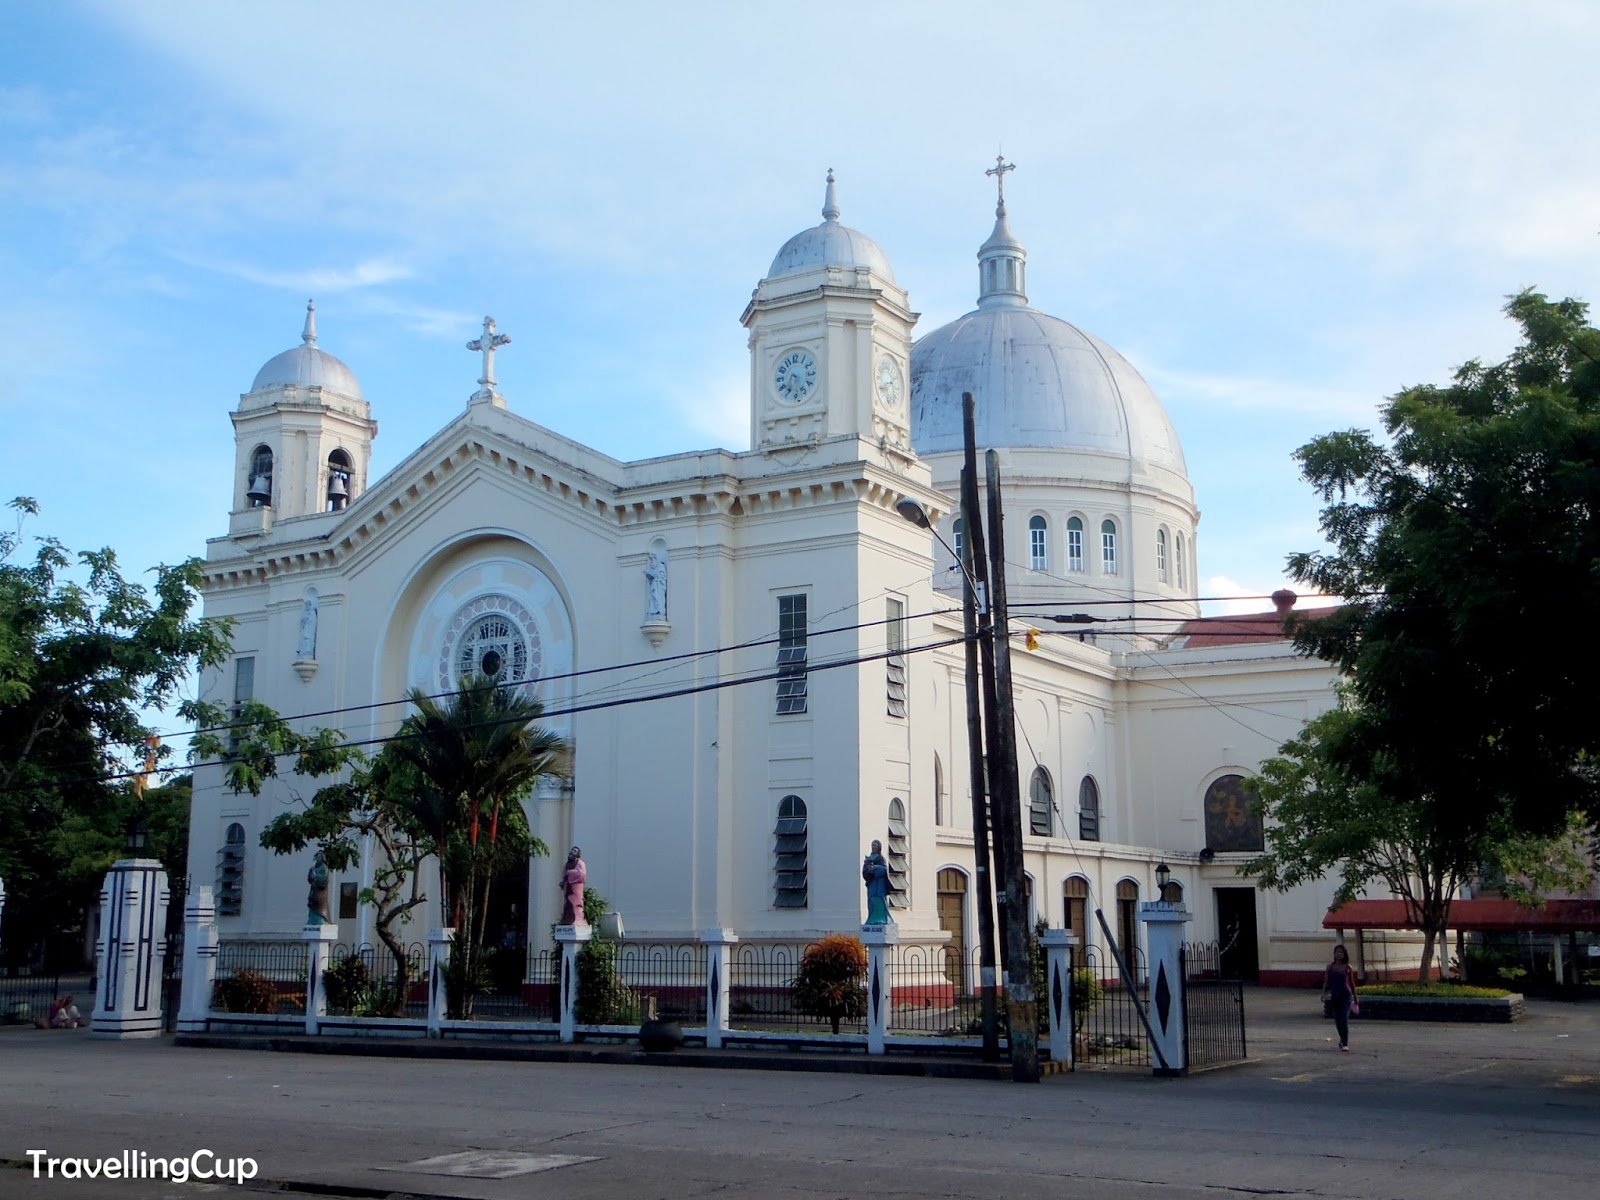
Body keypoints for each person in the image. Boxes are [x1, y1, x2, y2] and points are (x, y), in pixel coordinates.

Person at [1320, 943, 1358, 1051]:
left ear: (1344, 954)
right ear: (1334, 954)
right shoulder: (1330, 967)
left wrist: (1355, 997)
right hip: (1335, 996)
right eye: (1337, 952)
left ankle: (1345, 1042)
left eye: (1341, 952)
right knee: (1337, 1020)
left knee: (1344, 1019)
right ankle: (1342, 1039)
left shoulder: (1348, 968)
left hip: (1346, 996)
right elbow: (1327, 982)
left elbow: (1351, 983)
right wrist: (1323, 993)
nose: (1339, 954)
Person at [862, 839, 891, 925]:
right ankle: (872, 919)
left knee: (880, 900)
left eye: (875, 845)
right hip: (872, 884)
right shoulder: (869, 858)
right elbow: (864, 871)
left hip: (879, 884)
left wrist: (875, 868)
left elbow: (884, 869)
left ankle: (881, 919)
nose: (873, 847)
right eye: (872, 845)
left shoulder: (880, 858)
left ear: (879, 847)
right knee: (871, 900)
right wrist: (868, 869)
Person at [559, 846, 588, 926]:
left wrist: (570, 873)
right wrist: (563, 881)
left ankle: (577, 919)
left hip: (576, 889)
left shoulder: (580, 863)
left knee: (576, 905)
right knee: (568, 905)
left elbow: (582, 874)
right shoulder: (567, 864)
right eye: (572, 850)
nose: (572, 852)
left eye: (575, 851)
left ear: (578, 854)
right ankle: (567, 919)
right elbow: (564, 874)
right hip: (568, 888)